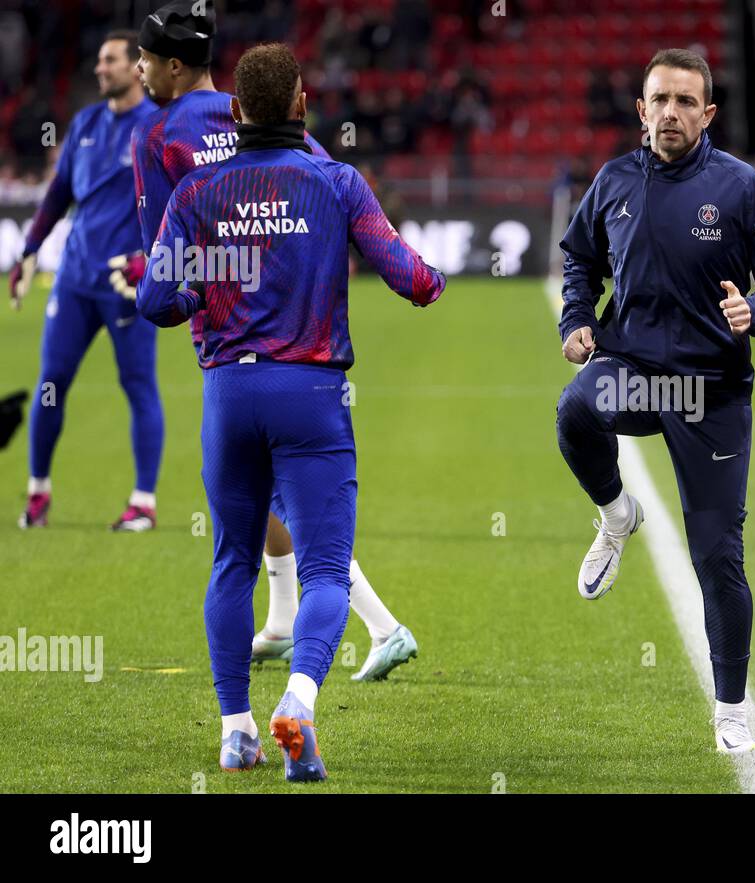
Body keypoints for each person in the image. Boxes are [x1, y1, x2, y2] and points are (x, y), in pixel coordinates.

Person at [137, 42, 445, 780]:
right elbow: (410, 277)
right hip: (310, 395)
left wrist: (204, 284)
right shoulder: (335, 180)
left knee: (231, 563)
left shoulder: (196, 195)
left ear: (235, 112)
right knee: (326, 570)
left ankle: (235, 731)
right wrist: (433, 277)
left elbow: (155, 301)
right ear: (303, 107)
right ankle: (300, 703)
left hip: (228, 397)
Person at [556, 48, 755, 755]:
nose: (671, 112)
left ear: (708, 113)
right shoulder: (612, 181)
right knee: (576, 408)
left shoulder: (741, 188)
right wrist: (577, 317)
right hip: (634, 369)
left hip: (711, 394)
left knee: (717, 558)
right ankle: (616, 515)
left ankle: (730, 709)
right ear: (641, 109)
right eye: (659, 99)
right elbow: (579, 256)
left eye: (685, 102)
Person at [8, 30, 162, 531]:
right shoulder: (86, 123)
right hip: (74, 280)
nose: (100, 68)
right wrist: (29, 250)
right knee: (52, 382)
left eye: (110, 60)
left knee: (138, 386)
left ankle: (143, 501)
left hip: (126, 284)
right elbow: (57, 195)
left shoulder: (157, 128)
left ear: (136, 68)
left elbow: (180, 205)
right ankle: (38, 493)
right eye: (97, 59)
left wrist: (154, 258)